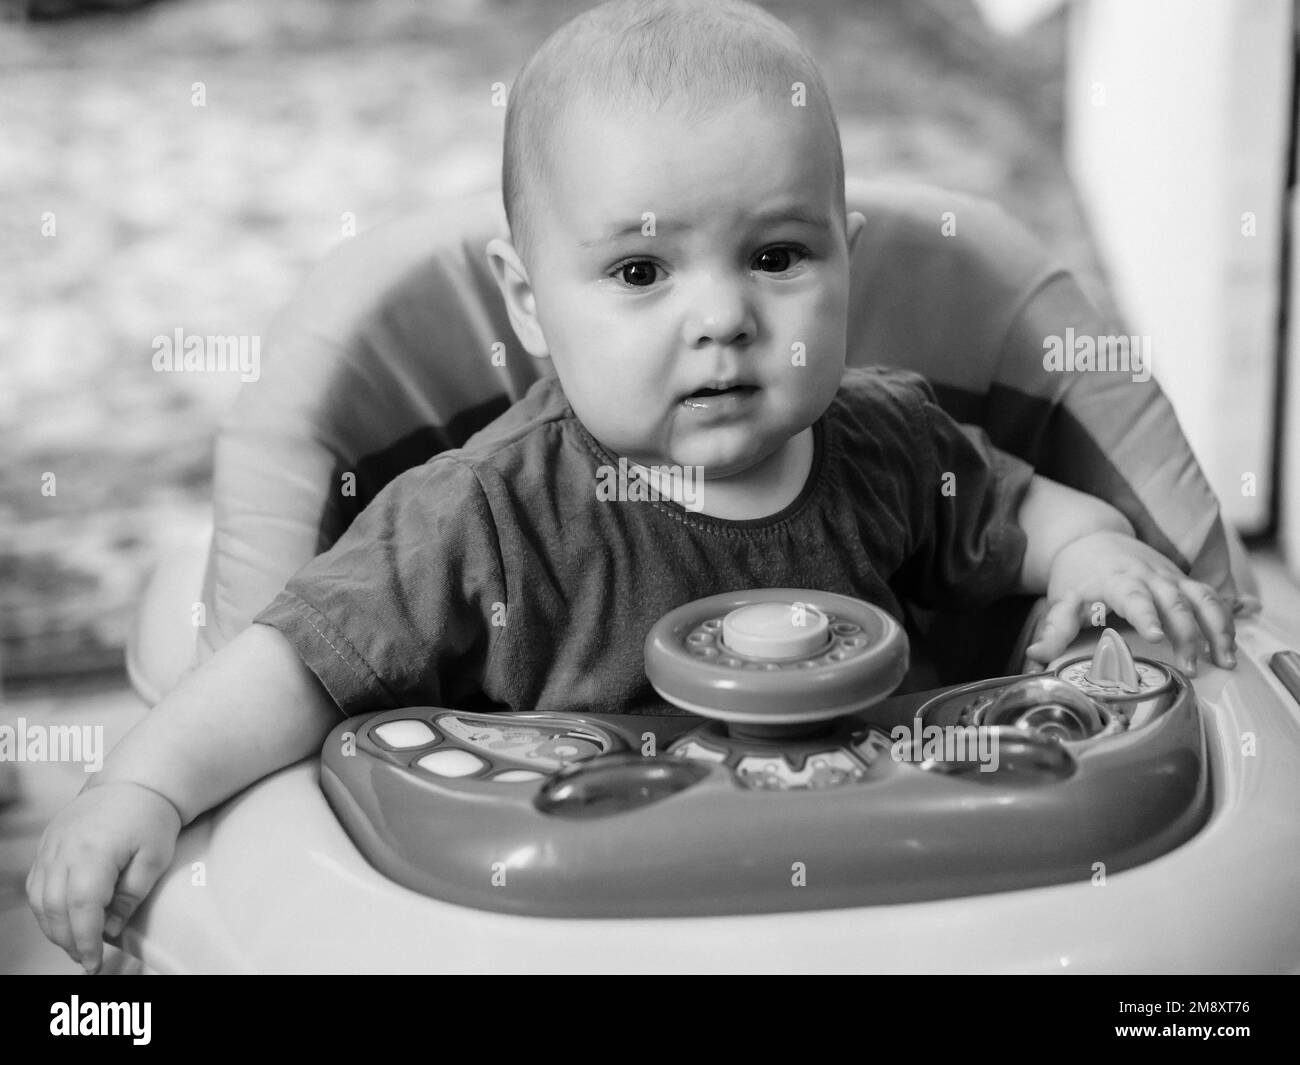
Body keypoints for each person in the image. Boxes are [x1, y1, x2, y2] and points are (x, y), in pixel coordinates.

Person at [28, 0, 1235, 973]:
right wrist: (142, 784)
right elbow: (286, 667)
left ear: (845, 262)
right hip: (579, 926)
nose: (721, 317)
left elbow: (1027, 512)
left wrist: (1092, 558)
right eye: (642, 269)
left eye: (777, 256)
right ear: (525, 300)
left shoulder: (893, 444)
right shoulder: (482, 518)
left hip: (884, 900)